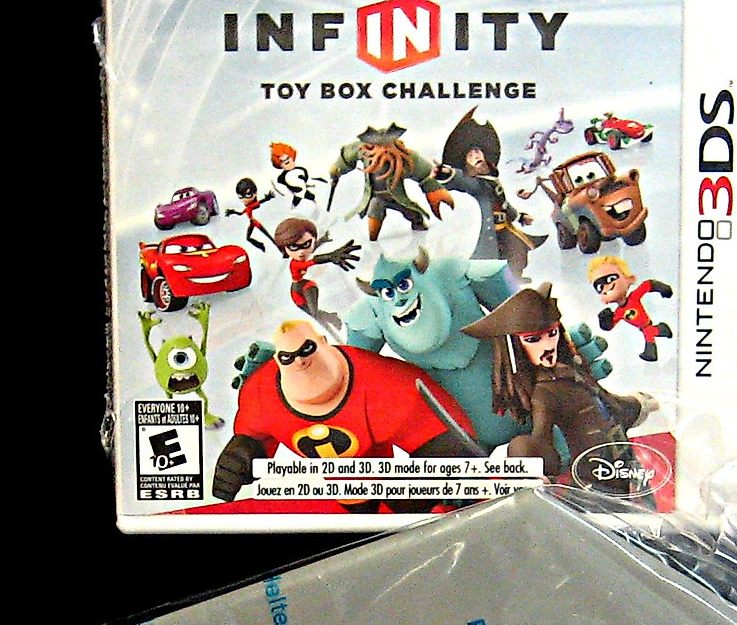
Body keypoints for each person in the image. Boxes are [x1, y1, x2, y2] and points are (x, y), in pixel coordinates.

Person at [212, 320, 478, 510]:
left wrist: (414, 492)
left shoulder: (384, 384)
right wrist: (241, 455)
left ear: (322, 343)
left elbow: (447, 442)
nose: (300, 362)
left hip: (387, 478)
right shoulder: (261, 393)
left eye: (305, 350)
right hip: (341, 490)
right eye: (288, 357)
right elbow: (253, 435)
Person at [462, 283, 656, 495]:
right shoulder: (544, 393)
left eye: (552, 334)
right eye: (533, 339)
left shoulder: (575, 370)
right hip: (592, 481)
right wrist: (524, 460)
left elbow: (609, 402)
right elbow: (542, 440)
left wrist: (638, 404)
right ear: (516, 347)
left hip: (625, 464)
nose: (547, 345)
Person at [434, 109, 546, 280]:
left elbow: (503, 203)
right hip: (488, 230)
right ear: (466, 164)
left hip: (504, 226)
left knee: (518, 251)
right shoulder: (476, 183)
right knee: (490, 260)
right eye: (470, 155)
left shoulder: (492, 179)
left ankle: (515, 277)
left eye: (477, 152)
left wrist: (518, 216)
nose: (476, 156)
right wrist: (447, 173)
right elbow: (462, 180)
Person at [329, 124, 453, 240]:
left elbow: (425, 173)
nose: (383, 149)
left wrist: (434, 189)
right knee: (374, 212)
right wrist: (337, 169)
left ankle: (418, 223)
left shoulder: (406, 158)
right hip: (377, 197)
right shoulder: (364, 152)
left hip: (398, 197)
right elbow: (348, 155)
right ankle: (373, 242)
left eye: (387, 145)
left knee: (412, 214)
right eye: (378, 145)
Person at [272, 217, 360, 336]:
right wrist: (329, 256)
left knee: (315, 314)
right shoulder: (295, 264)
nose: (301, 252)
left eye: (306, 244)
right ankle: (331, 318)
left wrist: (322, 242)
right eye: (293, 247)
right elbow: (312, 261)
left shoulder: (301, 257)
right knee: (313, 314)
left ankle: (331, 326)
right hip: (297, 291)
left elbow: (312, 251)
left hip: (306, 287)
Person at [587, 255, 674, 361]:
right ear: (603, 300)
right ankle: (662, 330)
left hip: (645, 324)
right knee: (649, 331)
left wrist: (662, 288)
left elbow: (647, 285)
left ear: (630, 279)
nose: (606, 288)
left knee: (648, 332)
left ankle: (652, 351)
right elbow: (610, 326)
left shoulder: (634, 297)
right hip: (642, 326)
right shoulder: (619, 312)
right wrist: (604, 320)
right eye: (600, 287)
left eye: (611, 279)